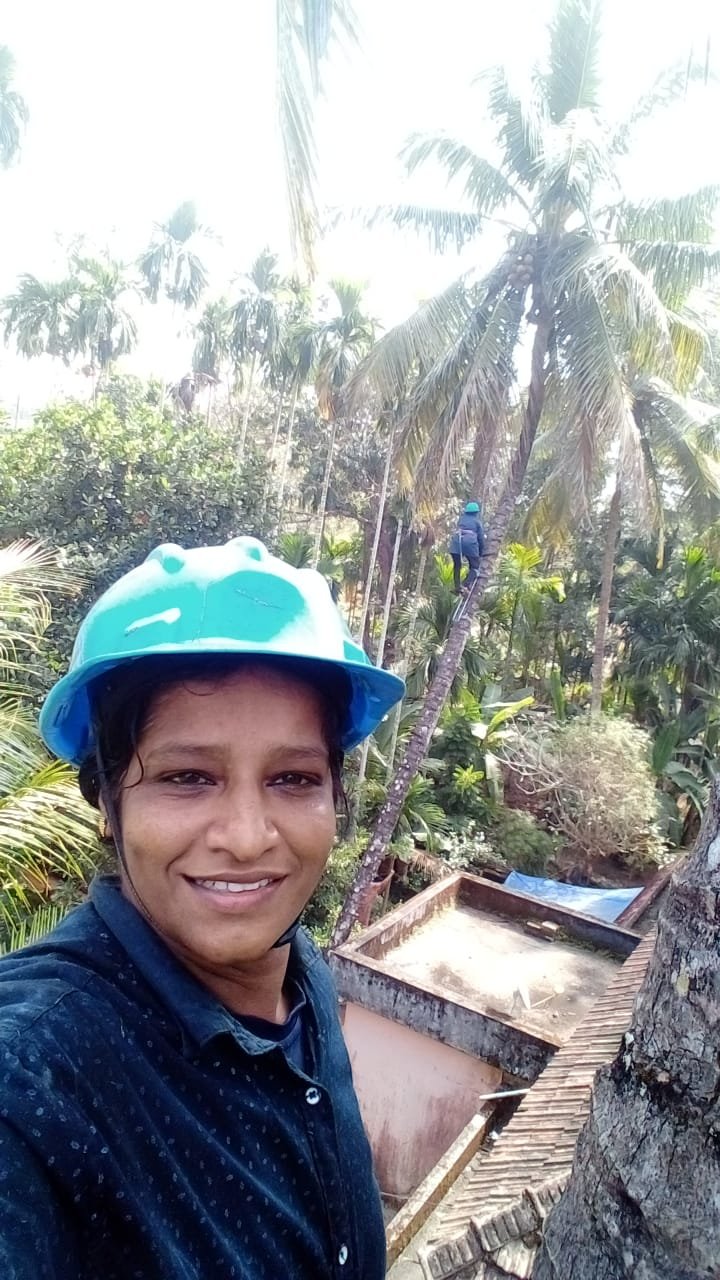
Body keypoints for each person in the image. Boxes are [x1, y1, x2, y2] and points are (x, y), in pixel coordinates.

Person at [0, 536, 404, 1280]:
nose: (249, 839)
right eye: (188, 777)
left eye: (292, 778)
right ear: (106, 802)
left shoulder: (300, 968)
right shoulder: (35, 1074)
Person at [449, 500, 485, 594]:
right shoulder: (477, 522)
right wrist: (481, 554)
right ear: (476, 512)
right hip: (470, 544)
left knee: (457, 565)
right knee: (475, 567)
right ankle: (465, 585)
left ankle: (457, 587)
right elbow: (480, 539)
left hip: (456, 543)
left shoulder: (461, 520)